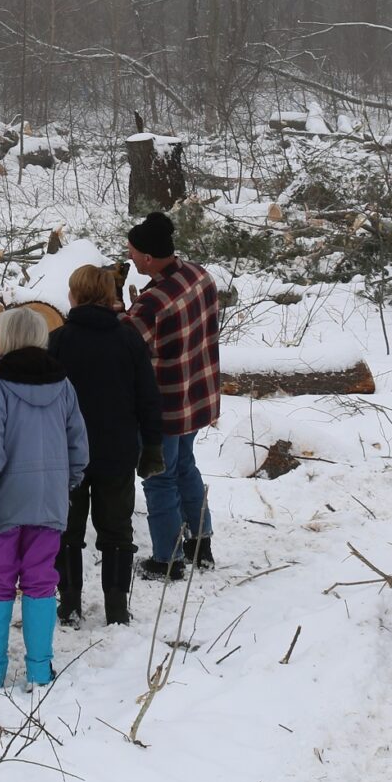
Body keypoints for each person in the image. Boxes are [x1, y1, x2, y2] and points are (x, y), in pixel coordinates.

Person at [0, 307, 88, 689]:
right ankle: (39, 668)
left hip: (3, 495)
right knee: (40, 580)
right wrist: (69, 480)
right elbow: (77, 441)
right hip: (49, 497)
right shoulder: (63, 382)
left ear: (6, 337)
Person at [48, 263, 163, 626]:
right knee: (116, 530)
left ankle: (69, 604)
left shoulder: (59, 341)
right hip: (117, 451)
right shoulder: (128, 339)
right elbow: (148, 397)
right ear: (109, 296)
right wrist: (153, 447)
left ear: (77, 295)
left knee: (67, 530)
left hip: (66, 454)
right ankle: (116, 608)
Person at [123, 210, 221, 580]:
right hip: (199, 394)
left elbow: (126, 345)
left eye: (132, 252)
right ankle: (201, 543)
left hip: (165, 403)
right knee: (184, 466)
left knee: (159, 476)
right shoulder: (198, 274)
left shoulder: (153, 302)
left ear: (148, 257)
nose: (129, 258)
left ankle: (167, 560)